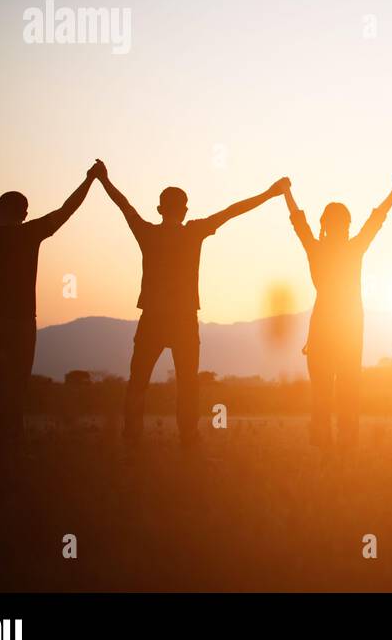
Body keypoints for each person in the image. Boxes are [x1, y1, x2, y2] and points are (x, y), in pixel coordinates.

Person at [96, 161, 289, 448]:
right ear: (184, 210)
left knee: (138, 382)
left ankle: (132, 439)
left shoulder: (147, 232)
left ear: (160, 209)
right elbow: (232, 211)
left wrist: (103, 179)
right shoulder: (193, 232)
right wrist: (269, 193)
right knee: (188, 385)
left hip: (153, 318)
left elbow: (123, 205)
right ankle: (188, 440)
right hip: (183, 320)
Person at [0, 163, 98, 446]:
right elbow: (66, 210)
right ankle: (7, 453)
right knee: (12, 394)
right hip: (19, 327)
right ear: (24, 214)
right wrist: (89, 180)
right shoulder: (30, 233)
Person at [284, 175, 392, 452]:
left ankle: (327, 446)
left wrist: (286, 192)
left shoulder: (318, 248)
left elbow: (298, 221)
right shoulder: (353, 248)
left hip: (327, 330)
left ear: (324, 226)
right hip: (346, 332)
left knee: (323, 395)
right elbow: (377, 218)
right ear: (345, 226)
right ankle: (343, 446)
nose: (341, 227)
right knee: (346, 394)